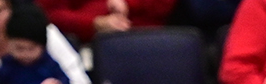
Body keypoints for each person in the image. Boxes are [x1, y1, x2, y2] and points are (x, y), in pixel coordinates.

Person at [39, 0, 170, 43]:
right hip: (84, 44)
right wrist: (94, 23)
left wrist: (128, 3)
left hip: (147, 39)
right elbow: (48, 13)